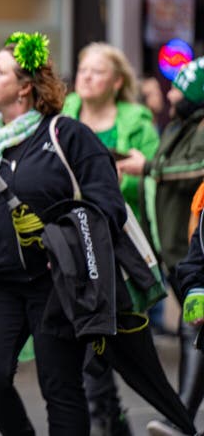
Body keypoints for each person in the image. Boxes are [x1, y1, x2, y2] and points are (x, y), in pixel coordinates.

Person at [0, 32, 126, 435]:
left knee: (61, 388)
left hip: (57, 283)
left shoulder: (66, 135)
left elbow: (108, 207)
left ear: (24, 88)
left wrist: (56, 235)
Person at [62, 42, 160, 435]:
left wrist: (127, 179)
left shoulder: (137, 121)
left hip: (120, 247)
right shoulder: (63, 114)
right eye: (83, 68)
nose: (86, 76)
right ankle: (107, 417)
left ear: (117, 82)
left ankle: (111, 416)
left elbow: (155, 177)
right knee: (86, 342)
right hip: (72, 243)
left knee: (109, 340)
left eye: (97, 71)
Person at [140, 56, 204, 436]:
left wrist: (147, 167)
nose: (171, 93)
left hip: (190, 245)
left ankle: (180, 417)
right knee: (192, 326)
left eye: (179, 87)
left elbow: (191, 167)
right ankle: (180, 416)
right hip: (183, 251)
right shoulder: (180, 126)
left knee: (191, 328)